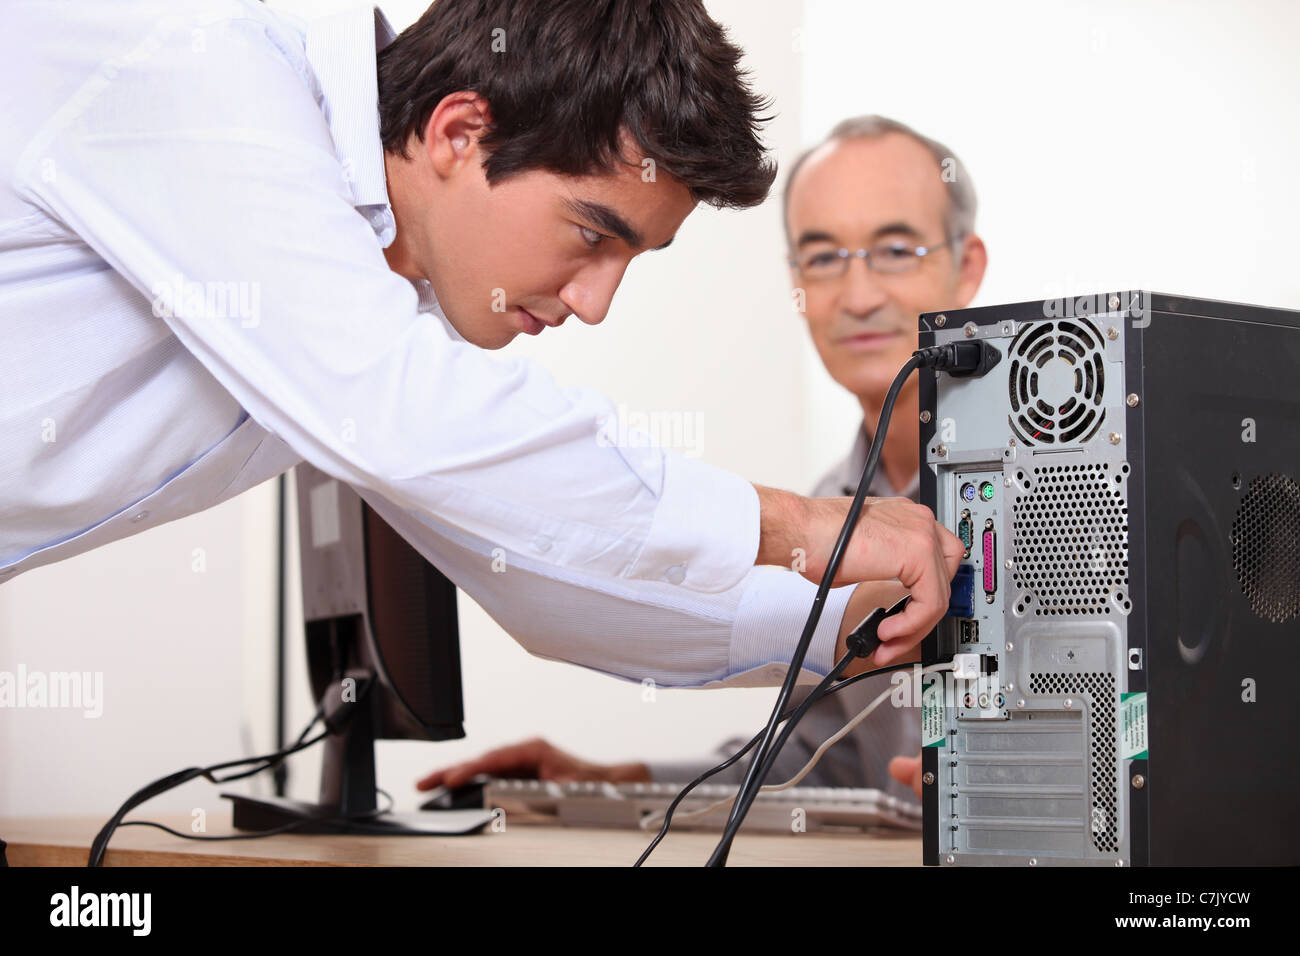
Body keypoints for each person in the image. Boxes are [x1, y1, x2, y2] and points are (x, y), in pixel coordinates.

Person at [1, 3, 960, 700]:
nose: (594, 304)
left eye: (632, 259)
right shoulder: (199, 59)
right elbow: (399, 418)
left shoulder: (374, 306)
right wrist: (798, 523)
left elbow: (543, 584)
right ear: (461, 131)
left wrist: (854, 623)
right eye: (593, 236)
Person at [418, 116, 988, 802]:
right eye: (825, 257)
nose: (858, 294)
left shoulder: (1066, 490)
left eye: (895, 250)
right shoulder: (842, 502)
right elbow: (815, 765)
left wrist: (1019, 791)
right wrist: (613, 783)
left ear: (968, 267)